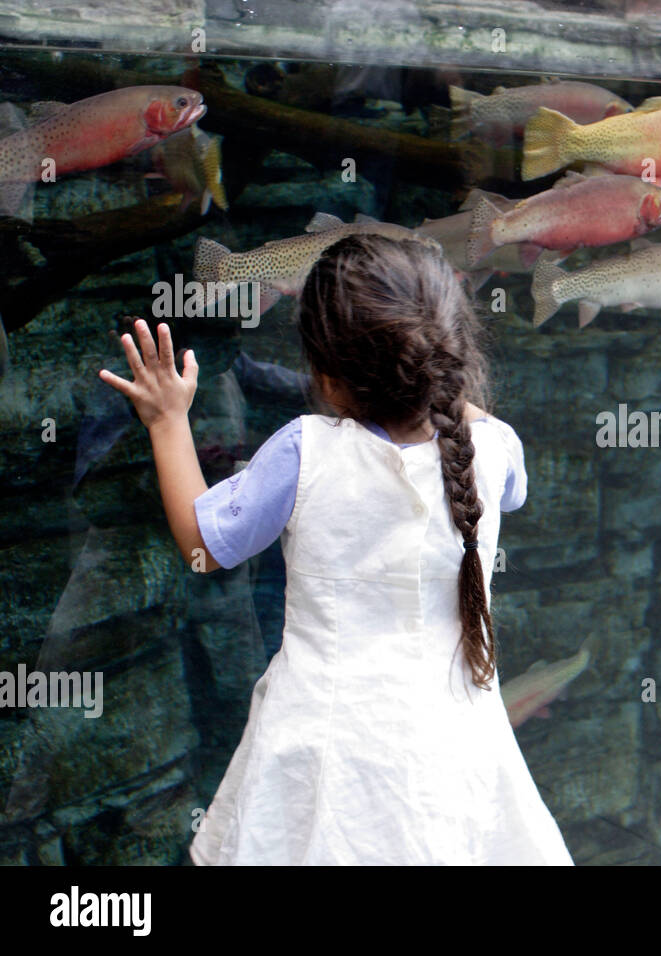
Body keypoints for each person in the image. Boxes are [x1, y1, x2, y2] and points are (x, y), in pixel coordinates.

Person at [99, 234, 574, 865]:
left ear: (326, 375)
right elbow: (504, 476)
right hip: (456, 747)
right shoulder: (494, 450)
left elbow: (203, 545)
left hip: (322, 752)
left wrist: (167, 421)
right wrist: (439, 373)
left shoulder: (306, 451)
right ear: (452, 351)